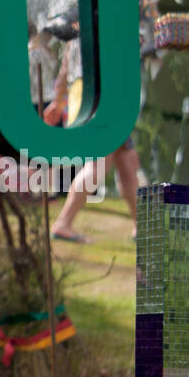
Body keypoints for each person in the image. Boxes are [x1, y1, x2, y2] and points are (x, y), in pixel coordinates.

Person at [42, 46, 140, 244]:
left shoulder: (77, 23)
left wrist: (59, 100)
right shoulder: (103, 21)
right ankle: (63, 223)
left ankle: (142, 227)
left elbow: (66, 65)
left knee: (127, 162)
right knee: (99, 164)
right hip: (101, 100)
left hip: (92, 98)